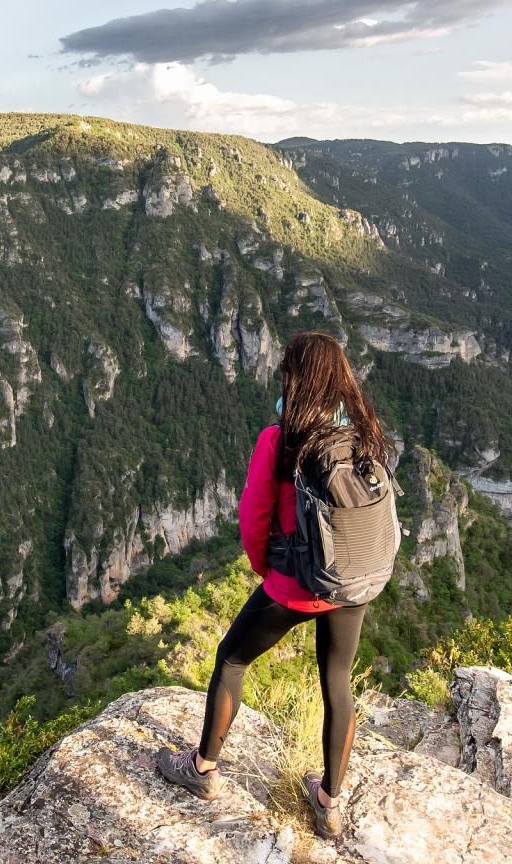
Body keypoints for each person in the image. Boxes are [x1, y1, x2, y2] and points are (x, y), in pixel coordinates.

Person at [156, 331, 390, 839]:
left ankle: (201, 770)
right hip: (354, 580)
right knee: (338, 681)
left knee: (232, 658)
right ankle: (329, 803)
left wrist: (267, 570)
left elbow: (254, 515)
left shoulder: (281, 439)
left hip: (296, 582)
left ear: (296, 378)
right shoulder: (365, 434)